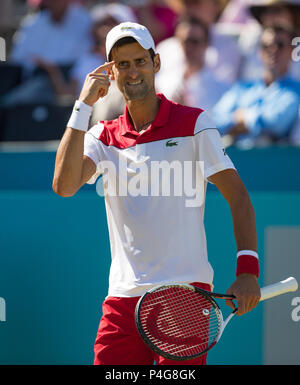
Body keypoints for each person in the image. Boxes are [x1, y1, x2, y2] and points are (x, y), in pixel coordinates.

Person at [52, 22, 261, 365]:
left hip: (184, 297)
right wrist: (83, 105)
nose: (133, 72)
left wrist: (248, 270)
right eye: (122, 64)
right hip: (121, 302)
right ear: (110, 73)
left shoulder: (195, 124)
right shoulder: (102, 136)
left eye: (139, 61)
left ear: (156, 63)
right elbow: (64, 185)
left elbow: (237, 196)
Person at [213, 24, 300, 146]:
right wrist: (254, 121)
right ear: (260, 52)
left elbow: (277, 124)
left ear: (291, 51)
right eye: (266, 46)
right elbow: (214, 121)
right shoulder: (242, 88)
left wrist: (244, 117)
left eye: (280, 45)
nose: (273, 50)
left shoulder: (296, 90)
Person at [156, 0, 242, 85]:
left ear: (215, 5)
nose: (190, 9)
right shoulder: (165, 48)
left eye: (196, 2)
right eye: (186, 3)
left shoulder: (229, 44)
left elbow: (226, 88)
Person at [155, 16, 229, 110]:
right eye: (185, 41)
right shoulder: (163, 80)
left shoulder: (220, 89)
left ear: (206, 44)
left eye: (194, 42)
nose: (189, 47)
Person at [239, 0, 300, 82]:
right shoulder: (251, 42)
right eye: (265, 12)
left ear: (293, 14)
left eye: (277, 10)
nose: (270, 16)